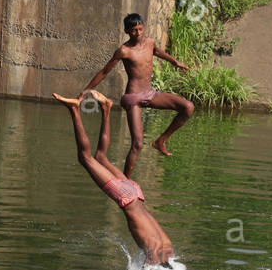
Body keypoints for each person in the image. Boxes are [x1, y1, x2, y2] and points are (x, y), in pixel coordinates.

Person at [53, 89, 180, 269]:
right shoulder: (155, 255)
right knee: (85, 158)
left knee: (101, 157)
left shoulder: (169, 249)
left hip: (136, 193)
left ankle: (106, 109)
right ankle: (74, 109)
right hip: (127, 197)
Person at [82, 13, 193, 177]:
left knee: (188, 107)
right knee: (138, 144)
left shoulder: (149, 42)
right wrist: (86, 91)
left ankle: (160, 141)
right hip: (133, 98)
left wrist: (174, 61)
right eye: (133, 30)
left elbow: (157, 51)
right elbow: (105, 71)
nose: (138, 33)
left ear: (144, 28)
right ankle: (127, 182)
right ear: (127, 31)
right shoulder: (124, 51)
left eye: (140, 29)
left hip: (150, 93)